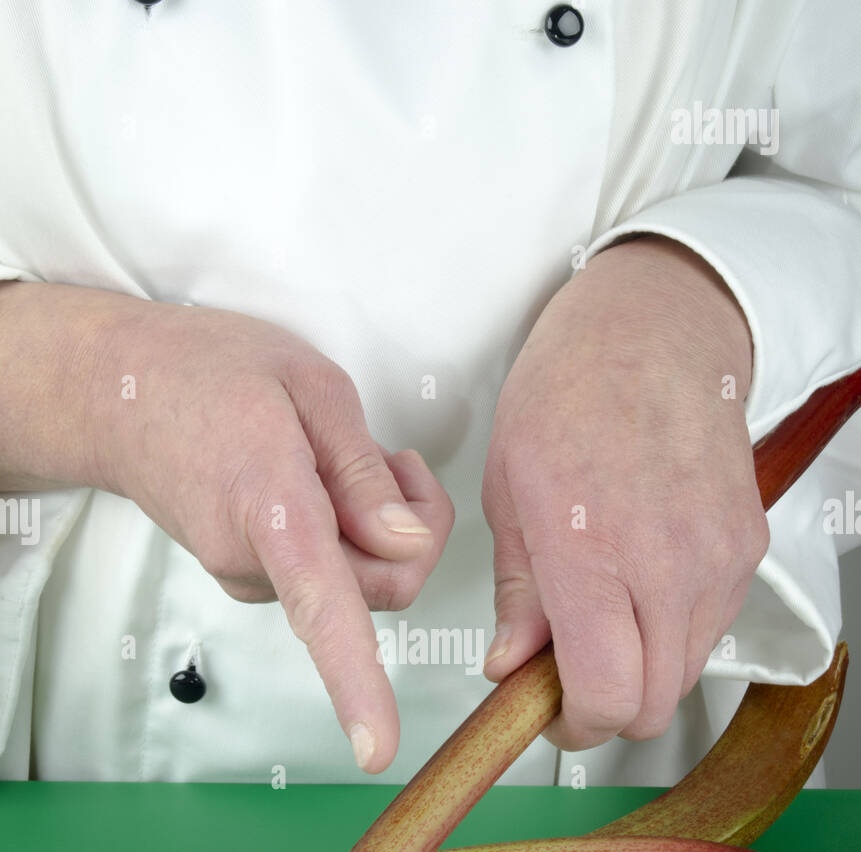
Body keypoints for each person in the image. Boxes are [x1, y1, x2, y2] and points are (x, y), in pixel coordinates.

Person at [0, 0, 859, 786]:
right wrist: (100, 386)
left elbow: (840, 177)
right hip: (86, 775)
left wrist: (688, 297)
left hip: (620, 788)